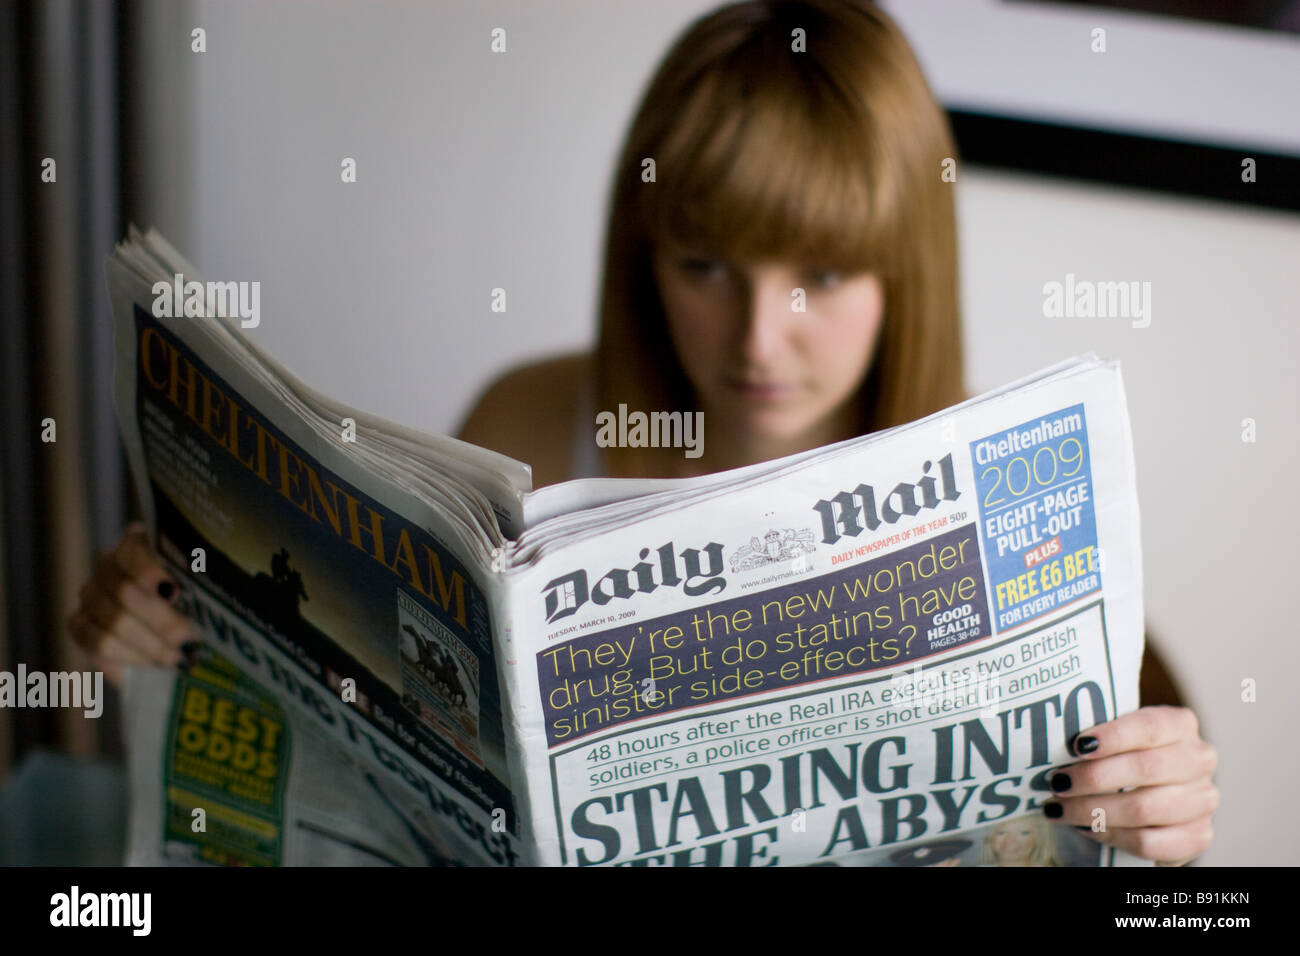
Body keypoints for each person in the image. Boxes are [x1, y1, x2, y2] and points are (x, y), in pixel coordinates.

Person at [68, 0, 1216, 865]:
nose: (759, 335)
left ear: (904, 273)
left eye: (821, 272)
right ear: (641, 253)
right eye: (703, 263)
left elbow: (1148, 795)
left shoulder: (1006, 493)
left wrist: (1165, 819)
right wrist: (161, 606)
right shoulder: (531, 417)